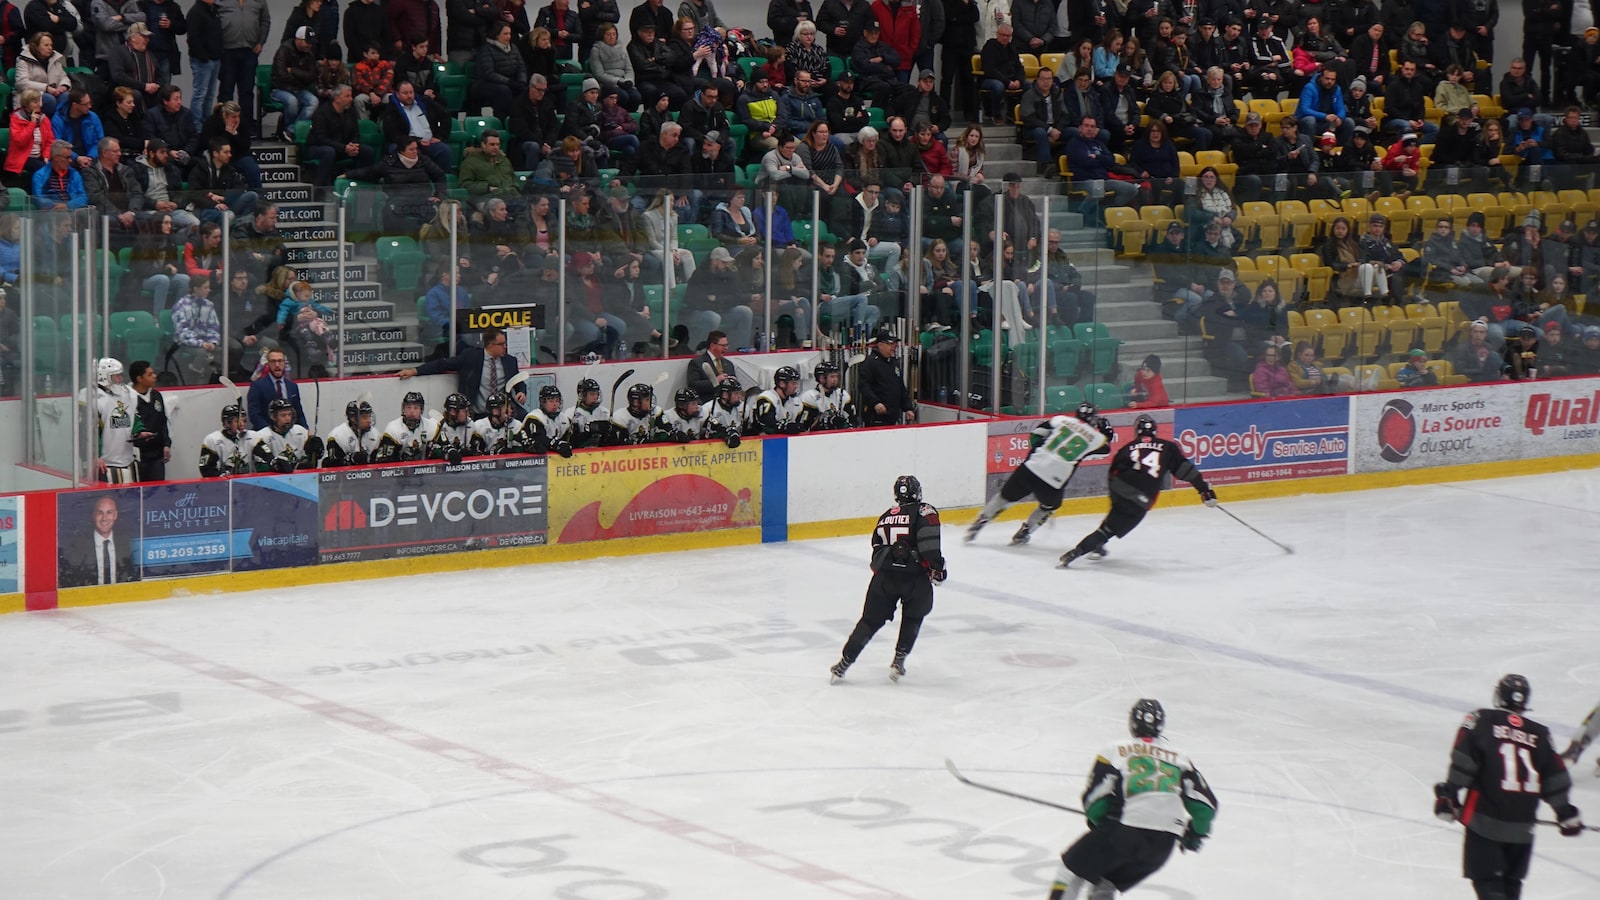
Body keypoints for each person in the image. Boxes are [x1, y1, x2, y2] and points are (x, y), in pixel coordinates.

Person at [1047, 699, 1219, 900]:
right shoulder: (1181, 758)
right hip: (1161, 847)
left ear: (1132, 723)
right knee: (1105, 883)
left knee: (1071, 871)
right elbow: (1206, 807)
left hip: (1123, 832)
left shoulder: (1115, 750)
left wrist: (1099, 822)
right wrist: (1196, 834)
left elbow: (1095, 802)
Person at [1434, 675, 1583, 900]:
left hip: (1485, 822)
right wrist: (1565, 813)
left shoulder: (1481, 720)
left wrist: (1449, 795)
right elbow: (1556, 778)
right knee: (1510, 886)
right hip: (1522, 830)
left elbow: (1464, 762)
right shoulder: (1541, 734)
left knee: (1489, 883)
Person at [828, 474, 945, 683]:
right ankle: (899, 660)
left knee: (869, 622)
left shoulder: (885, 516)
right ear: (917, 492)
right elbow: (929, 545)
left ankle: (843, 663)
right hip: (914, 578)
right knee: (913, 616)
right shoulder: (924, 510)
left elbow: (876, 549)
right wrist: (938, 569)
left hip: (885, 578)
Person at [1060, 414, 1217, 567]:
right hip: (1142, 499)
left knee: (1107, 526)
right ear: (1155, 431)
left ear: (1136, 432)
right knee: (1108, 531)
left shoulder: (1126, 448)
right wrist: (1204, 491)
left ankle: (1077, 551)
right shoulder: (1168, 447)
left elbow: (1113, 473)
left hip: (1120, 490)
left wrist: (1116, 497)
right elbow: (1187, 471)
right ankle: (1096, 543)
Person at [967, 402, 1115, 545]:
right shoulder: (1096, 439)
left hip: (1031, 467)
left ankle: (982, 519)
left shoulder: (1061, 419)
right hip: (1053, 481)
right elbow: (1106, 449)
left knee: (1005, 496)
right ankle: (1025, 531)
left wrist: (1036, 452)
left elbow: (1036, 434)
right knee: (1049, 507)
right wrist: (1107, 433)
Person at [397, 326, 525, 417]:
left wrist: (521, 391)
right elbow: (442, 364)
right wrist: (414, 371)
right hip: (477, 413)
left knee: (525, 417)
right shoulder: (471, 357)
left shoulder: (510, 361)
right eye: (502, 344)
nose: (505, 347)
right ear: (491, 345)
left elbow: (518, 381)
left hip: (502, 412)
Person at [59, 493, 140, 587]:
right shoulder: (78, 546)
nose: (104, 518)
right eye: (100, 513)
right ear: (94, 516)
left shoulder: (126, 543)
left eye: (109, 512)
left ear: (115, 515)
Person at [87, 357, 139, 482]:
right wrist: (95, 456)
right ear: (104, 377)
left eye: (120, 375)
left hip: (128, 459)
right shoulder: (93, 397)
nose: (121, 379)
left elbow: (135, 417)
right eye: (116, 376)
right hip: (105, 464)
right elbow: (88, 432)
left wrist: (140, 431)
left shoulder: (129, 393)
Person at [858, 327, 914, 425]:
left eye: (894, 344)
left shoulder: (894, 363)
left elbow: (900, 388)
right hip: (875, 417)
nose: (893, 347)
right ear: (880, 344)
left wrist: (908, 408)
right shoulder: (870, 363)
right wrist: (875, 403)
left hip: (893, 417)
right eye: (890, 344)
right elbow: (864, 386)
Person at [251, 397, 323, 472]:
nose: (288, 418)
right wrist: (275, 467)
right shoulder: (263, 436)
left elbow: (308, 460)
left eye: (289, 414)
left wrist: (313, 454)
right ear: (273, 417)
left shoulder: (300, 431)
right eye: (283, 415)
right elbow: (260, 467)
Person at [126, 360, 170, 481]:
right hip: (137, 455)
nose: (155, 376)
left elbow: (163, 421)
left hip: (157, 455)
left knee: (157, 491)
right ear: (139, 378)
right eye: (150, 374)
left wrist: (166, 444)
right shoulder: (127, 398)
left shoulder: (156, 395)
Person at [246, 347, 306, 429]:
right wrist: (270, 432)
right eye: (273, 361)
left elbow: (299, 413)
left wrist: (306, 430)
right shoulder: (257, 386)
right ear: (268, 363)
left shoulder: (292, 386)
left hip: (289, 433)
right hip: (266, 435)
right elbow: (254, 414)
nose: (277, 365)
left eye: (280, 361)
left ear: (285, 363)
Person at [198, 402, 258, 476]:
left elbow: (266, 458)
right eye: (237, 421)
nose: (242, 424)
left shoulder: (253, 436)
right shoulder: (212, 440)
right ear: (227, 423)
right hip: (222, 485)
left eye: (244, 420)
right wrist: (221, 476)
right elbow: (205, 469)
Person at [798, 361, 855, 431]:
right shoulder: (810, 397)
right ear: (822, 378)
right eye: (832, 377)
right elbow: (806, 426)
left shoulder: (842, 394)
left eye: (836, 376)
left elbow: (853, 419)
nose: (835, 380)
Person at [322, 399, 379, 467]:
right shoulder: (337, 435)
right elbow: (330, 464)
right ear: (353, 418)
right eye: (364, 417)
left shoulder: (376, 435)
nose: (369, 421)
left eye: (369, 416)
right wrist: (351, 459)